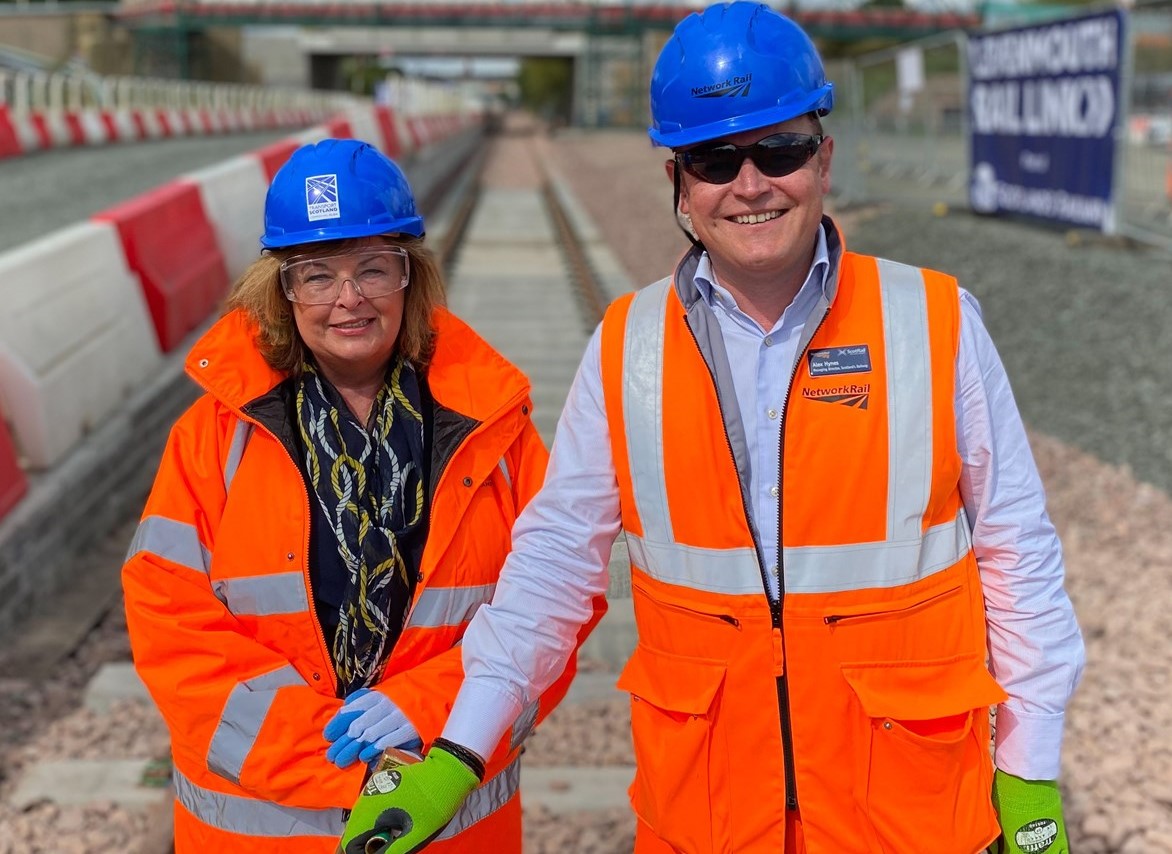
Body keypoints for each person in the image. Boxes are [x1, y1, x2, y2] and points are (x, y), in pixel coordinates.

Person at [334, 3, 1086, 853]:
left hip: (904, 815)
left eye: (781, 150)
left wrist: (1028, 772)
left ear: (824, 158)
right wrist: (458, 752)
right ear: (680, 184)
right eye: (716, 160)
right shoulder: (628, 346)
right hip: (711, 815)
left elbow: (1017, 551)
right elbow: (553, 564)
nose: (751, 184)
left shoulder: (933, 320)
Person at [121, 138, 603, 853]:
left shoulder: (494, 432)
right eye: (316, 275)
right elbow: (171, 628)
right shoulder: (212, 440)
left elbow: (557, 607)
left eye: (373, 268)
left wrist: (427, 708)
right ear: (281, 291)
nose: (348, 299)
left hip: (444, 824)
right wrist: (345, 765)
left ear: (411, 277)